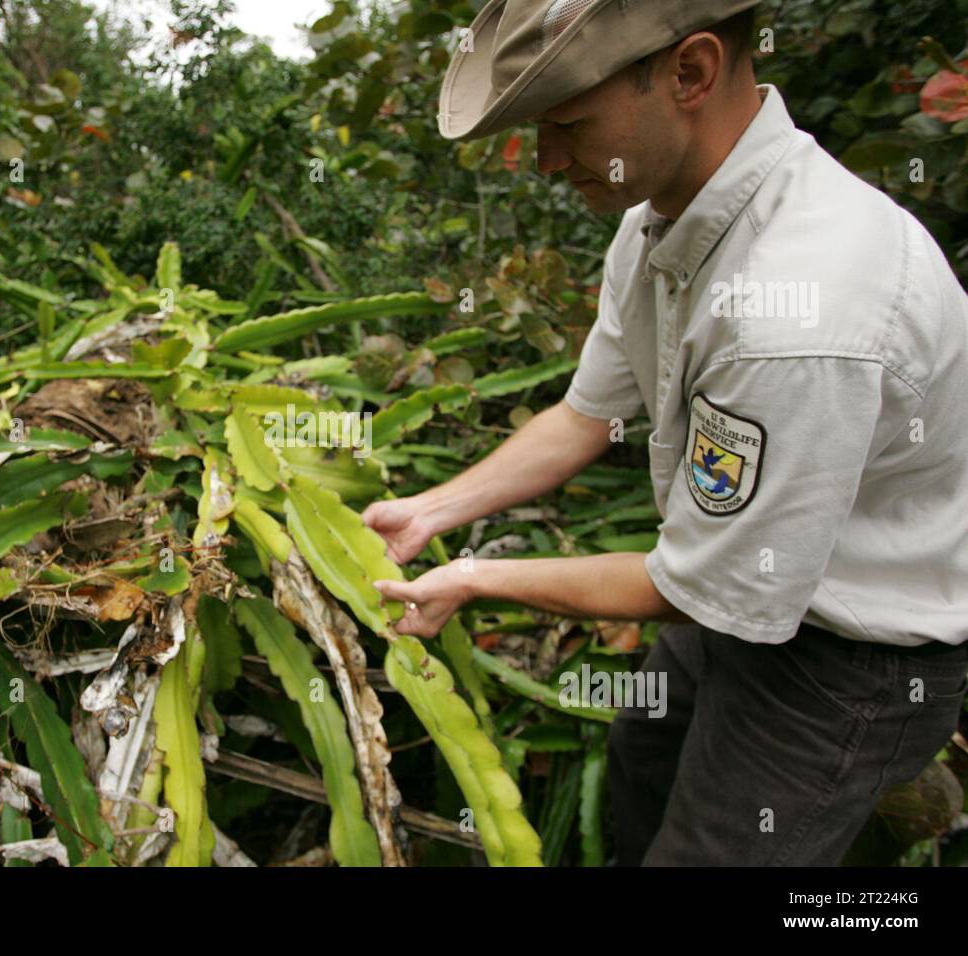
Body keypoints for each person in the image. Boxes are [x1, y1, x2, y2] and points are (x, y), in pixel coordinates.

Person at [363, 0, 968, 865]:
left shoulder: (801, 308)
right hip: (732, 601)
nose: (545, 162)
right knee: (643, 760)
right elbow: (588, 415)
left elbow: (691, 582)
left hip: (846, 667)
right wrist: (432, 511)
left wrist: (473, 577)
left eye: (568, 124)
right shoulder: (658, 226)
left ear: (690, 72)